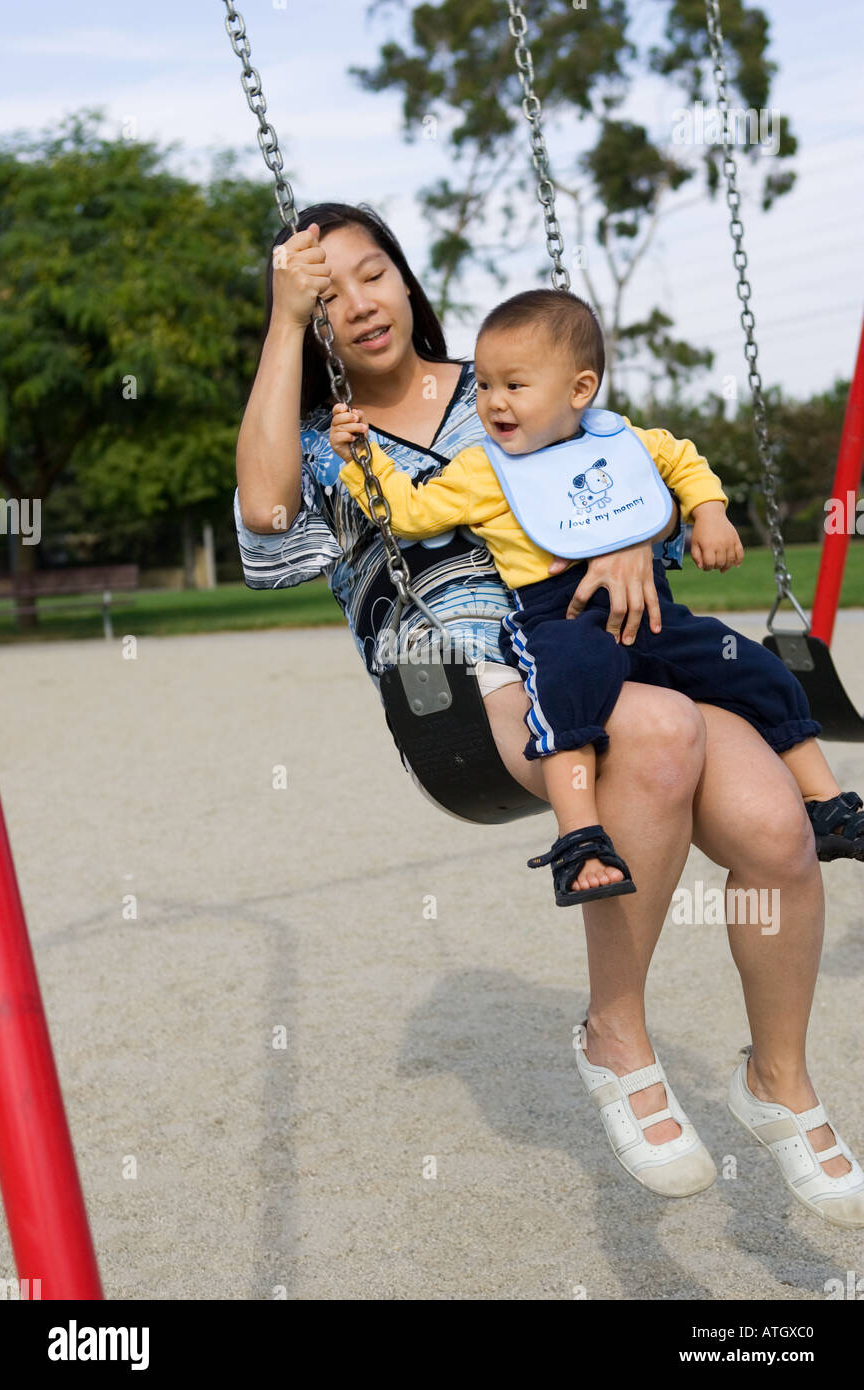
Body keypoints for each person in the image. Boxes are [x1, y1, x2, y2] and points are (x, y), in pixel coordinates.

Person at [233, 200, 864, 1222]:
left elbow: (630, 469)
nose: (355, 303)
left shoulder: (504, 378)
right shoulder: (322, 438)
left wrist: (635, 533)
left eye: (371, 273)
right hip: (471, 676)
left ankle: (777, 1078)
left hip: (628, 633)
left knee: (773, 830)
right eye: (321, 293)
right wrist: (277, 322)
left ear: (405, 277)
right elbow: (265, 525)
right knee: (659, 733)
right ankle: (614, 1034)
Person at [333, 288, 864, 906]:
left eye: (514, 386)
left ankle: (827, 804)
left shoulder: (622, 440)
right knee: (565, 696)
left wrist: (711, 513)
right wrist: (363, 458)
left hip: (653, 611)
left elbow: (684, 462)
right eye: (483, 387)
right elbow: (410, 513)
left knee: (756, 668)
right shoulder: (485, 470)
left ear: (579, 391)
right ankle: (581, 836)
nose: (492, 402)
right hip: (561, 617)